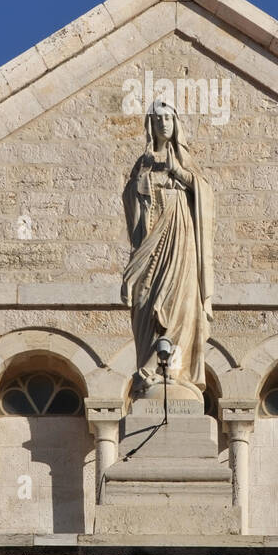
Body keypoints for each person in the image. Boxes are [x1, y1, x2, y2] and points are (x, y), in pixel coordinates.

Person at [121, 101, 214, 395]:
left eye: (168, 118)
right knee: (147, 300)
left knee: (182, 300)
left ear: (175, 123)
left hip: (182, 237)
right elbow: (131, 200)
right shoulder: (144, 162)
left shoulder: (185, 159)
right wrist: (143, 183)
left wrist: (180, 174)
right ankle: (151, 363)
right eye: (158, 119)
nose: (164, 123)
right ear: (151, 125)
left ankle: (175, 367)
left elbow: (204, 194)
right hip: (152, 240)